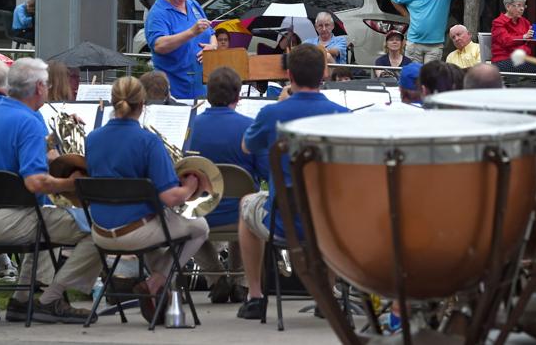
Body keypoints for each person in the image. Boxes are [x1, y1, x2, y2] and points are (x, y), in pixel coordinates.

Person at [0, 58, 102, 324]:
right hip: (10, 220)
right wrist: (73, 184)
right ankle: (51, 299)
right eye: (47, 85)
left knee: (48, 216)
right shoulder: (29, 121)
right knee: (98, 228)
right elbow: (35, 182)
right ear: (40, 88)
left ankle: (22, 301)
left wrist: (55, 152)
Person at [235, 44, 349, 319]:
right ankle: (327, 296)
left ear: (289, 75)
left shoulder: (272, 114)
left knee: (247, 203)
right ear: (324, 73)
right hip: (329, 223)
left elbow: (247, 147)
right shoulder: (343, 116)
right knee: (330, 206)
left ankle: (255, 296)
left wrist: (279, 106)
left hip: (284, 222)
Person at [85, 76, 209, 324]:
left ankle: (157, 288)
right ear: (143, 105)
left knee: (158, 226)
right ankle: (156, 282)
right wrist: (190, 187)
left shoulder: (92, 138)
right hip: (134, 232)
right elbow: (170, 198)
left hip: (99, 233)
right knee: (200, 228)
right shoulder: (148, 141)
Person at [187, 67, 269, 304]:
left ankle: (215, 277)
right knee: (250, 202)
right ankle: (241, 281)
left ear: (208, 95)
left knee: (182, 218)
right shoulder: (249, 127)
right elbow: (266, 172)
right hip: (240, 214)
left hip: (202, 212)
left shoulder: (191, 126)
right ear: (238, 95)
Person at [145, 0, 217, 99]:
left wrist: (212, 47)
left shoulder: (193, 5)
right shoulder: (158, 13)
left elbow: (211, 33)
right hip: (174, 93)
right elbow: (159, 45)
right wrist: (191, 32)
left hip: (202, 90)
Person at [490, 0, 536, 76]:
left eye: (523, 6)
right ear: (508, 6)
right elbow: (506, 41)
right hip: (504, 60)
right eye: (519, 5)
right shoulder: (498, 22)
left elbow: (533, 38)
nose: (522, 9)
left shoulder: (524, 22)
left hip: (523, 59)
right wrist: (524, 37)